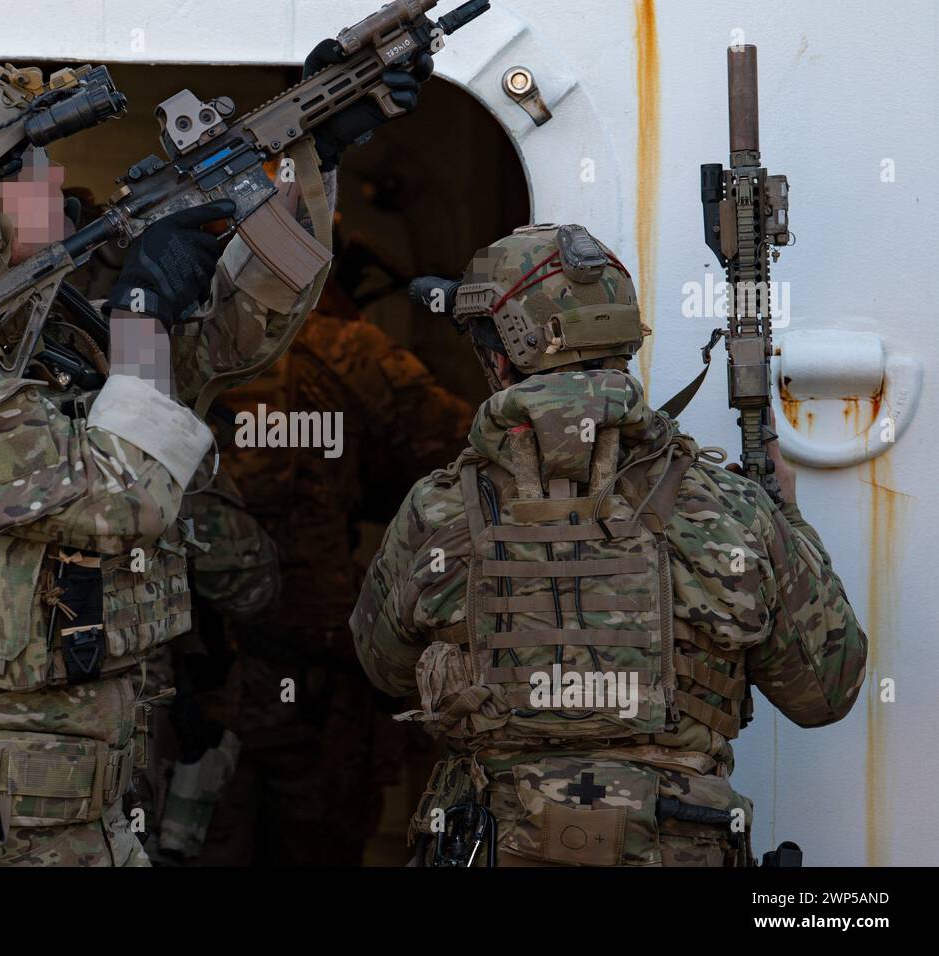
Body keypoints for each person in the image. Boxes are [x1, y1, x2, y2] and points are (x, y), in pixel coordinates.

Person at [0, 53, 427, 867]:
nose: (56, 179)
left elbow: (223, 341)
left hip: (88, 815)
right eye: (29, 166)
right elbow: (130, 492)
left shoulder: (37, 349)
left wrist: (307, 158)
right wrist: (141, 310)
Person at [350, 223, 868, 867]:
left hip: (493, 840)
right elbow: (826, 691)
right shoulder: (730, 510)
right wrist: (787, 517)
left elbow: (382, 668)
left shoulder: (436, 509)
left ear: (502, 356)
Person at [200, 276, 473, 866]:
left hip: (201, 668)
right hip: (316, 666)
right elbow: (460, 457)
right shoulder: (345, 349)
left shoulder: (172, 335)